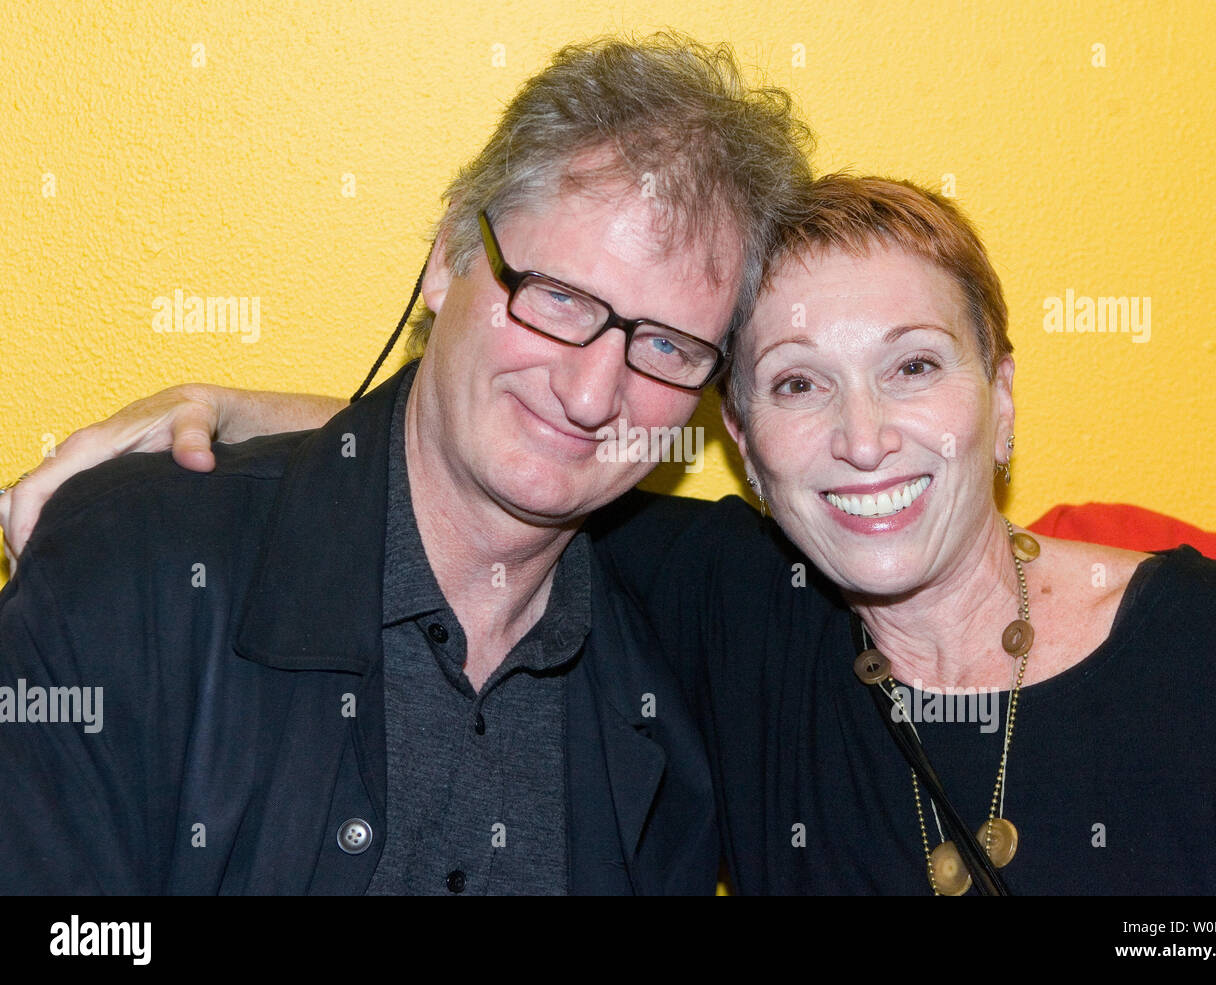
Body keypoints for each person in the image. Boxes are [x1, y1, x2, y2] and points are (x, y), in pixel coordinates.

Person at [17, 171, 1216, 897]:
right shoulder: (741, 610)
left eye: (913, 367)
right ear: (740, 434)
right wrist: (238, 411)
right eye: (798, 383)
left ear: (1002, 396)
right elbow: (506, 452)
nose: (862, 439)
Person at [0, 33, 814, 894]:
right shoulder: (136, 568)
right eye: (558, 297)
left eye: (666, 344)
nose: (590, 392)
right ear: (445, 257)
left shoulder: (679, 678)